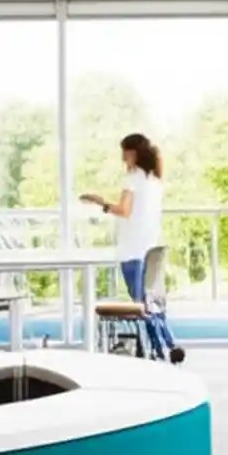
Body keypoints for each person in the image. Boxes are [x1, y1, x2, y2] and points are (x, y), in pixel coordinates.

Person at [80, 133, 185, 364]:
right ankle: (168, 345)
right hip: (151, 247)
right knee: (151, 303)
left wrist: (100, 202)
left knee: (140, 305)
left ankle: (159, 351)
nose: (122, 158)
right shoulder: (155, 179)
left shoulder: (132, 179)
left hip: (132, 250)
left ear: (133, 153)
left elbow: (124, 211)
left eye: (124, 152)